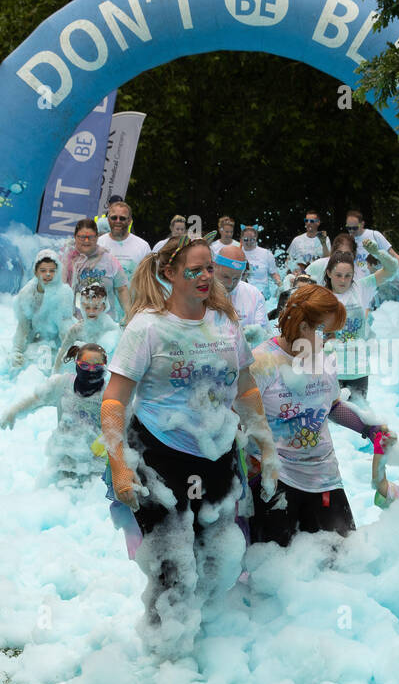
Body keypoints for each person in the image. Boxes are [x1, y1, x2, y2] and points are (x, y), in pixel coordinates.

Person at [99, 237, 281, 659]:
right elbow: (113, 400)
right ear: (169, 275)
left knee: (215, 559)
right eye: (193, 271)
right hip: (161, 458)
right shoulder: (147, 327)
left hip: (216, 456)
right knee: (173, 567)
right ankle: (166, 658)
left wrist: (265, 446)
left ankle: (205, 651)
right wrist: (120, 466)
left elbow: (246, 387)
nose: (204, 278)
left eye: (208, 269)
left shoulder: (224, 323)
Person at [247, 284, 392, 547]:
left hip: (324, 476)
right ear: (303, 327)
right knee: (278, 571)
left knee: (345, 560)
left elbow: (332, 405)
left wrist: (368, 429)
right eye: (325, 332)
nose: (330, 340)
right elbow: (241, 421)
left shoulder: (322, 358)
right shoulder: (262, 362)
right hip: (275, 478)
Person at [0, 343, 110, 482]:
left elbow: (121, 428)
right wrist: (14, 411)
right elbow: (37, 399)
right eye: (85, 366)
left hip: (94, 465)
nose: (91, 370)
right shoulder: (62, 384)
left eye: (97, 367)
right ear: (77, 364)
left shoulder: (109, 394)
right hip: (62, 459)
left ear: (105, 366)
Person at [320, 240, 399, 401]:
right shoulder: (321, 296)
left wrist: (377, 253)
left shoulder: (361, 287)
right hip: (330, 369)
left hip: (358, 367)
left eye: (348, 276)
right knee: (333, 421)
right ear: (329, 273)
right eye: (338, 275)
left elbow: (392, 270)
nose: (343, 280)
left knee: (359, 418)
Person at [11, 250, 76, 371]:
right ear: (36, 272)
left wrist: (68, 354)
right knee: (23, 365)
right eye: (43, 270)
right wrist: (17, 351)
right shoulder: (26, 293)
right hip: (37, 340)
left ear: (57, 272)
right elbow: (23, 327)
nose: (47, 274)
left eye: (52, 271)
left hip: (57, 342)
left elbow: (65, 328)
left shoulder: (63, 293)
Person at [63, 219, 131, 325]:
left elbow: (122, 289)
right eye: (82, 237)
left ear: (97, 237)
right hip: (77, 323)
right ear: (75, 237)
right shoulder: (66, 260)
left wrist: (128, 314)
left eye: (90, 237)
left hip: (106, 325)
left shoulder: (109, 259)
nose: (86, 241)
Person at [56, 283, 120, 371]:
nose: (91, 312)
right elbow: (61, 356)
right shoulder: (76, 330)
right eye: (87, 307)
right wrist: (56, 374)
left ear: (104, 307)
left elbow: (118, 361)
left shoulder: (111, 329)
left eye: (96, 308)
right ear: (82, 306)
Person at [345, 209, 399, 287]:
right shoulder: (347, 242)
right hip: (362, 285)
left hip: (381, 282)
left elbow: (393, 255)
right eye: (348, 228)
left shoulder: (374, 235)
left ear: (362, 224)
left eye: (354, 228)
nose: (351, 231)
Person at [213, 243, 269, 335]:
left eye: (236, 278)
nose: (230, 284)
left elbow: (264, 335)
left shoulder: (254, 295)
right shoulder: (199, 293)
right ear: (214, 266)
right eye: (225, 277)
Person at [97, 200, 151, 277]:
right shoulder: (98, 244)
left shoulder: (143, 246)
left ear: (129, 221)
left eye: (122, 218)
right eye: (114, 217)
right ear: (108, 220)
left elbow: (148, 278)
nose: (118, 221)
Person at [238, 225, 281, 297]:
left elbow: (274, 274)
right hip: (244, 293)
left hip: (263, 294)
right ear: (241, 239)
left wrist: (280, 284)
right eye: (246, 239)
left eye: (252, 239)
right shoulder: (237, 254)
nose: (249, 242)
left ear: (256, 238)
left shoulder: (266, 253)